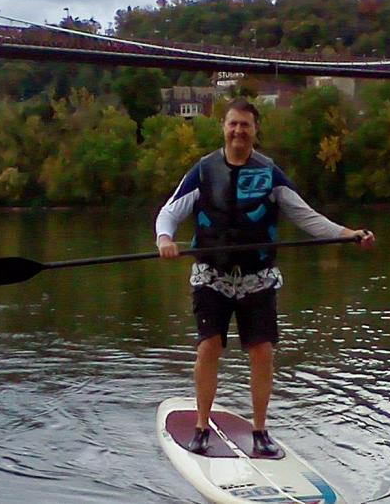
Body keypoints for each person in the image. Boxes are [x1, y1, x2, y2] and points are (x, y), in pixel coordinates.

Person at [154, 97, 375, 456]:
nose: (238, 130)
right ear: (223, 128)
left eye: (246, 124)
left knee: (262, 352)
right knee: (209, 346)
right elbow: (169, 213)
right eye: (233, 124)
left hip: (258, 278)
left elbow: (307, 217)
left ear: (255, 130)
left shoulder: (270, 173)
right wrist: (164, 238)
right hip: (212, 276)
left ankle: (259, 433)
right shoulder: (203, 170)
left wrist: (347, 233)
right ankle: (200, 427)